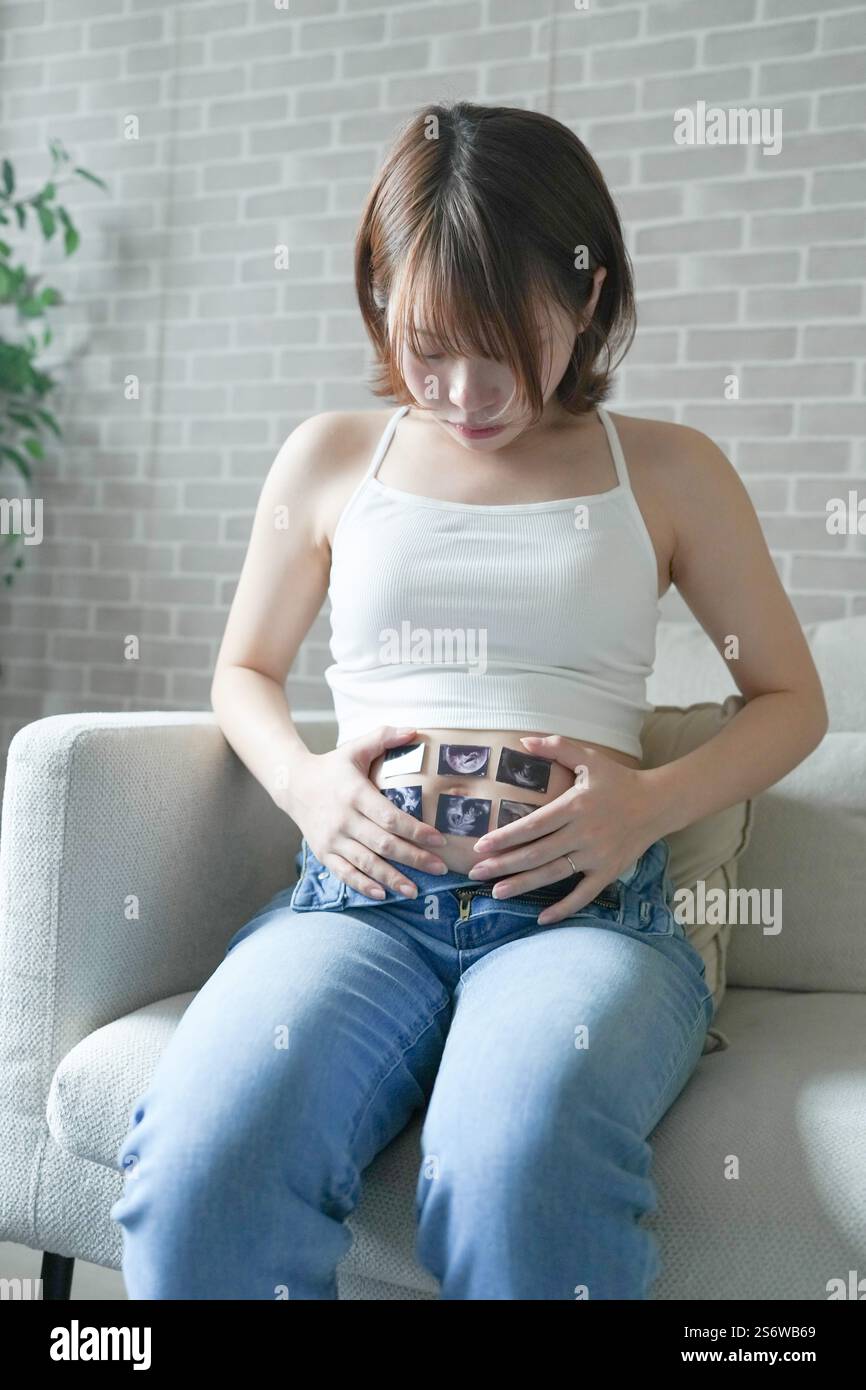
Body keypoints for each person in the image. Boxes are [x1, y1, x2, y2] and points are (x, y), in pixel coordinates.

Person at [110, 101, 828, 1300]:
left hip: (578, 922)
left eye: (504, 341)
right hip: (357, 901)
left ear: (586, 297)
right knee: (198, 1166)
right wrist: (306, 785)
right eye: (428, 342)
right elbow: (244, 670)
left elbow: (788, 700)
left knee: (516, 1168)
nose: (462, 389)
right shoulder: (333, 457)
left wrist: (644, 804)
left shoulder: (665, 469)